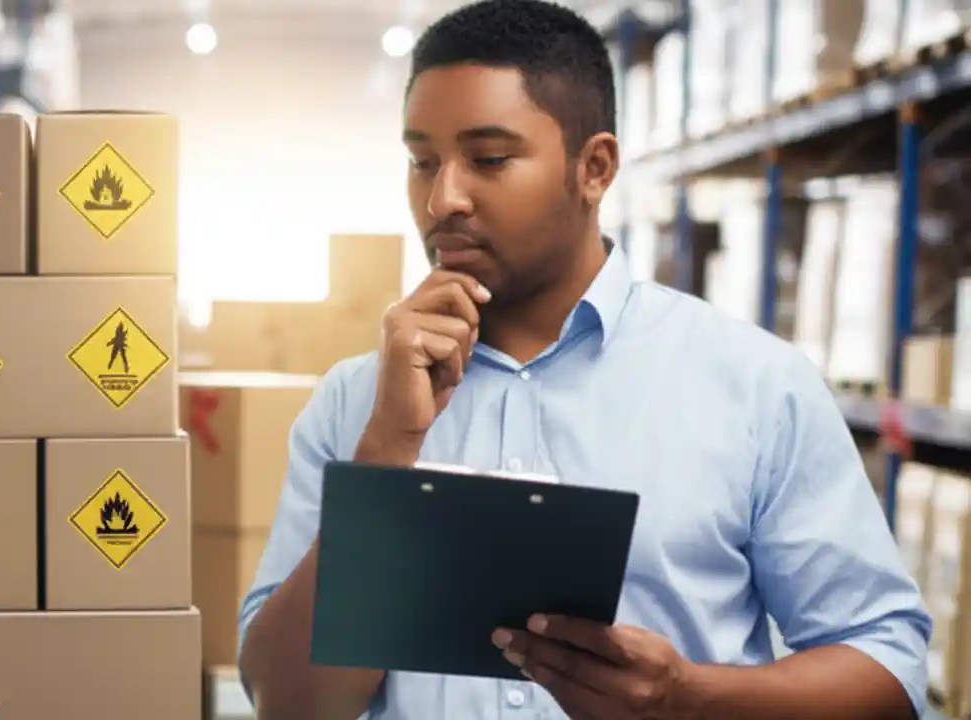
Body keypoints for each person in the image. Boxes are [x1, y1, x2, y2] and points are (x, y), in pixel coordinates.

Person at [236, 1, 932, 718]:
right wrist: (386, 453)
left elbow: (888, 670)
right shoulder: (356, 405)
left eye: (489, 159)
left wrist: (689, 698)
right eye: (422, 162)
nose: (442, 198)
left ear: (594, 167)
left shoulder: (754, 387)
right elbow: (286, 703)